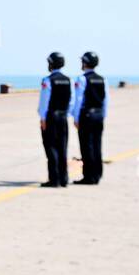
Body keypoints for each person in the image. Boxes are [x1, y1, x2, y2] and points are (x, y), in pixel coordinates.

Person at [71, 51, 107, 186]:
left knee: (86, 146)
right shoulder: (102, 79)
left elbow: (78, 100)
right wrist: (103, 115)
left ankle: (88, 176)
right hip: (98, 115)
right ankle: (97, 174)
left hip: (86, 116)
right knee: (97, 146)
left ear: (85, 63)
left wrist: (76, 118)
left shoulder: (82, 79)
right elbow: (105, 100)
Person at [37, 51, 71, 188]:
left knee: (51, 147)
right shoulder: (69, 80)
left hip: (51, 117)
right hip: (63, 116)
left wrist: (43, 118)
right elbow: (72, 100)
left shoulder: (48, 80)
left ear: (51, 64)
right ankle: (64, 178)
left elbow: (44, 101)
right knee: (62, 147)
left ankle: (54, 179)